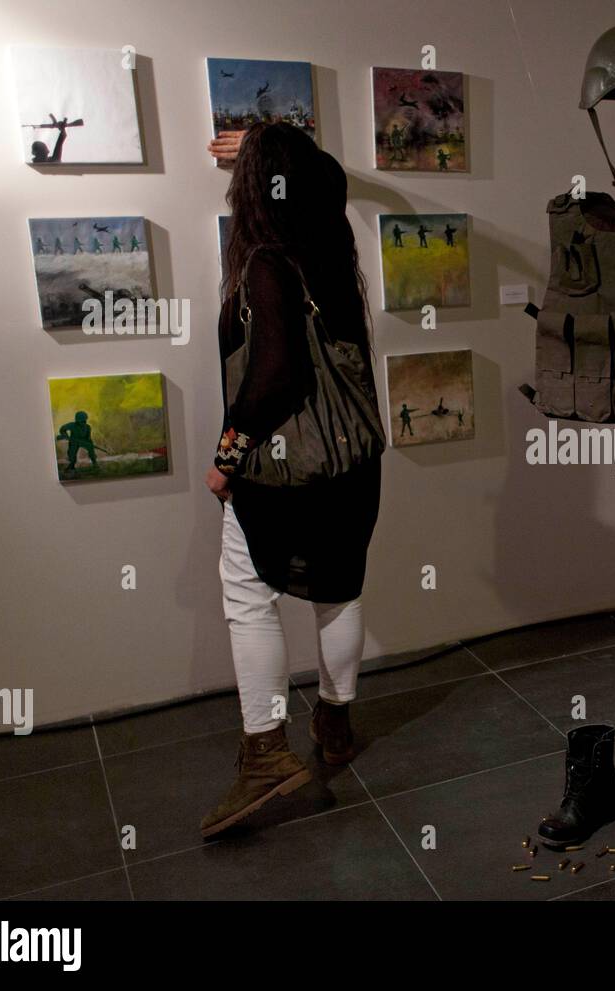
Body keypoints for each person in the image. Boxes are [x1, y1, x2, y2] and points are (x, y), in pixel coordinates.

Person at [200, 123, 386, 839]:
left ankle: (266, 755)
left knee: (249, 596)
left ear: (251, 191)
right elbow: (326, 177)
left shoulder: (266, 264)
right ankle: (335, 724)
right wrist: (268, 147)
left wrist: (226, 456)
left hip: (283, 473)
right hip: (351, 469)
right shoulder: (331, 249)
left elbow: (275, 375)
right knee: (339, 590)